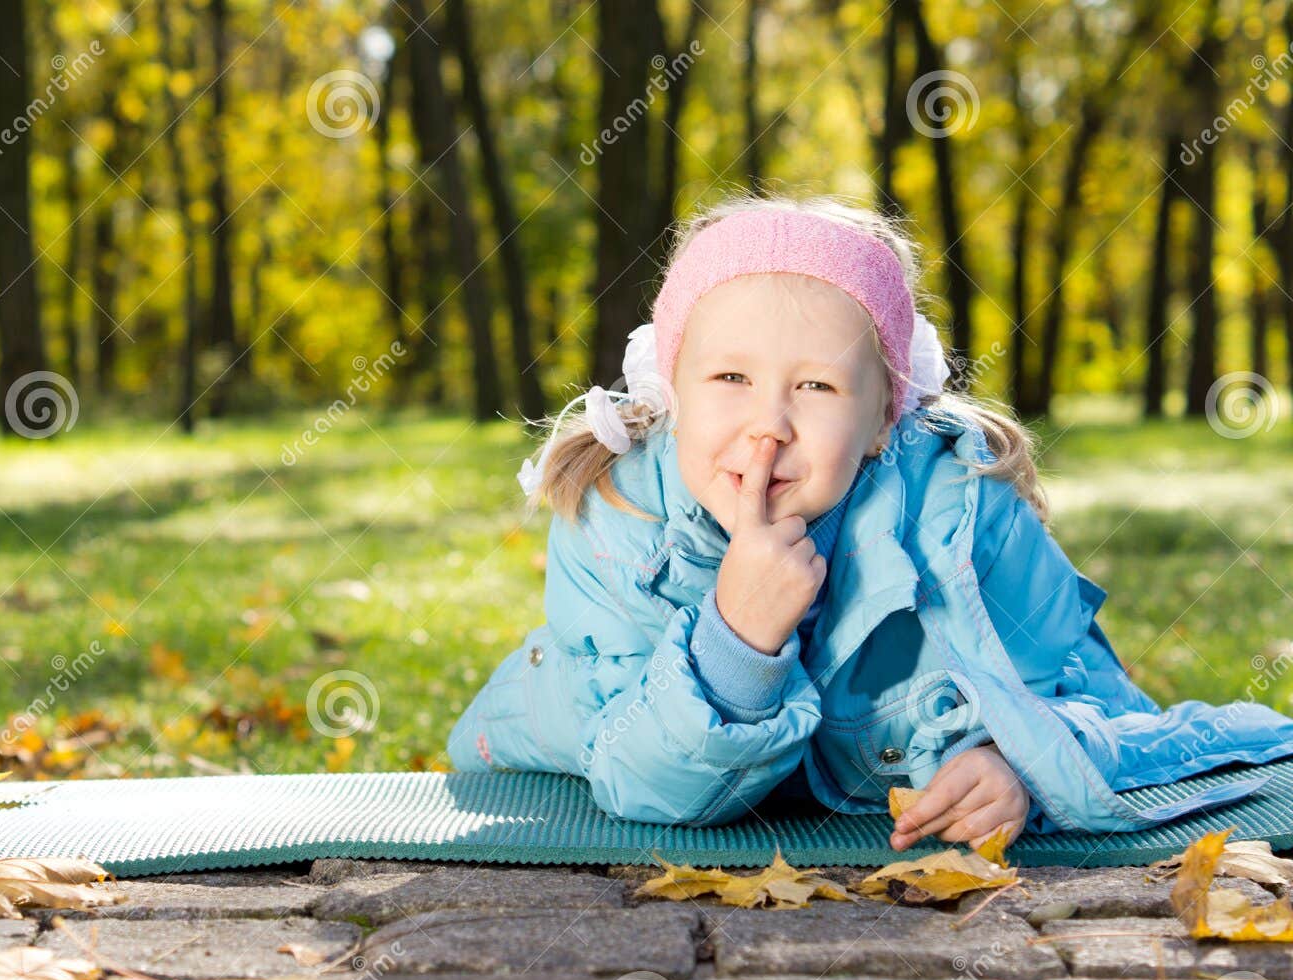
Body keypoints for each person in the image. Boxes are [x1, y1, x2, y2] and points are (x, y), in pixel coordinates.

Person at [446, 191, 1293, 852]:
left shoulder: (967, 513)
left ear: (886, 416)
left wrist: (1016, 766)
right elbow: (646, 787)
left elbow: (1093, 703)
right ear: (672, 390)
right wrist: (736, 640)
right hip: (561, 740)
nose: (768, 425)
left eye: (816, 386)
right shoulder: (618, 518)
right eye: (730, 378)